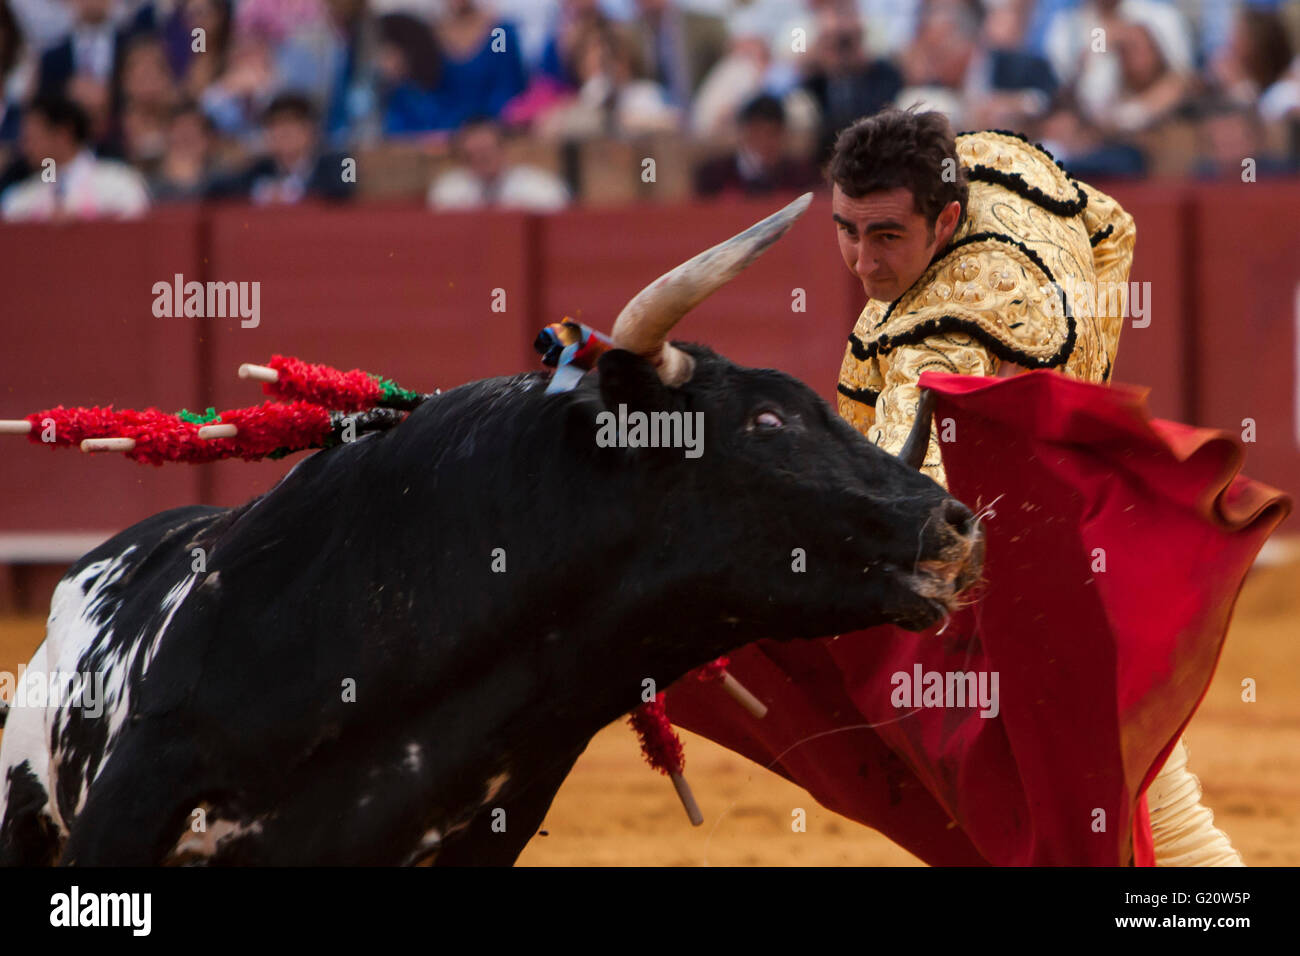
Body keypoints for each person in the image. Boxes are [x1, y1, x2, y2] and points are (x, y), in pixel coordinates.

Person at [831, 106, 1243, 866]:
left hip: (1035, 602)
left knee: (1073, 825)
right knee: (1153, 806)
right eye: (847, 229)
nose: (861, 260)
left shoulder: (941, 334)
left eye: (886, 234)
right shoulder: (997, 164)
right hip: (1099, 534)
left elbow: (897, 500)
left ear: (947, 218)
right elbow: (1112, 226)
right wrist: (1075, 393)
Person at [1, 94, 149, 220]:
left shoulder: (119, 184)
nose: (25, 148)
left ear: (63, 134)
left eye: (31, 138)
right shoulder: (20, 198)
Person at [205, 92, 354, 204]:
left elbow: (344, 189)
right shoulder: (259, 169)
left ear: (311, 131)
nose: (284, 134)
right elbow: (218, 189)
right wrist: (262, 193)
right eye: (276, 127)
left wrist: (292, 193)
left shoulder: (337, 164)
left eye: (291, 125)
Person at [428, 115, 568, 212]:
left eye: (486, 152)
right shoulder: (449, 190)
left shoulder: (538, 186)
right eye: (473, 155)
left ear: (502, 149)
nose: (481, 159)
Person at [693, 93, 819, 198]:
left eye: (772, 134)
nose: (765, 142)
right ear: (743, 134)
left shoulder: (801, 177)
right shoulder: (714, 176)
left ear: (783, 136)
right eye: (757, 134)